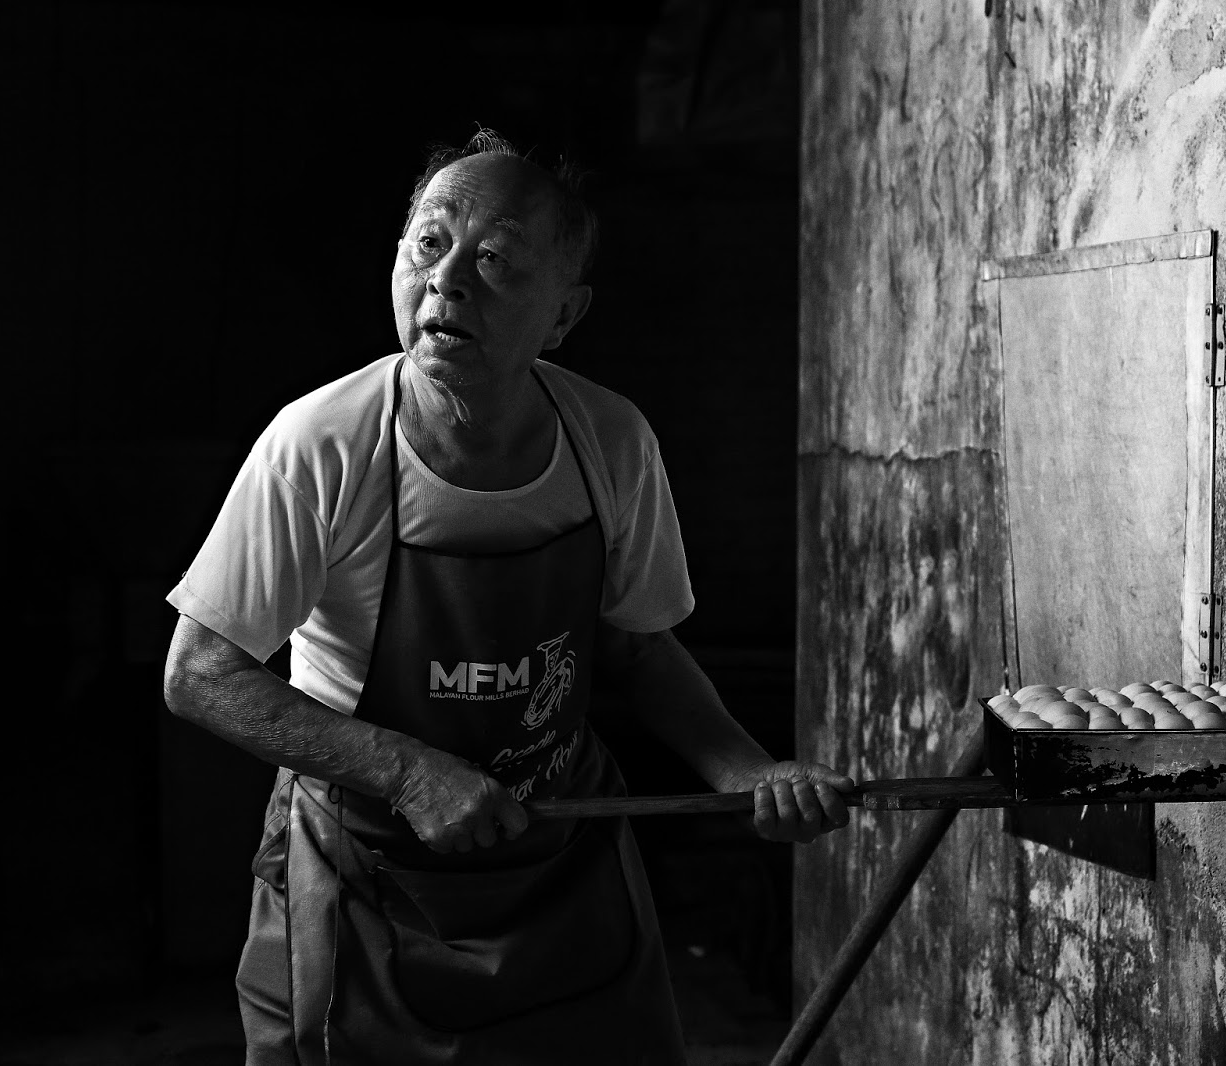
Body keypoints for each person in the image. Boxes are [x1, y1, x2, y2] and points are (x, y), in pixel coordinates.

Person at [162, 129, 855, 1065]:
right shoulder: (320, 445)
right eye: (429, 243)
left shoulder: (610, 442)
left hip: (559, 859)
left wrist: (746, 772)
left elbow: (641, 649)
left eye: (495, 260)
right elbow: (201, 673)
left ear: (564, 315)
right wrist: (409, 772)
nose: (447, 281)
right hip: (366, 870)